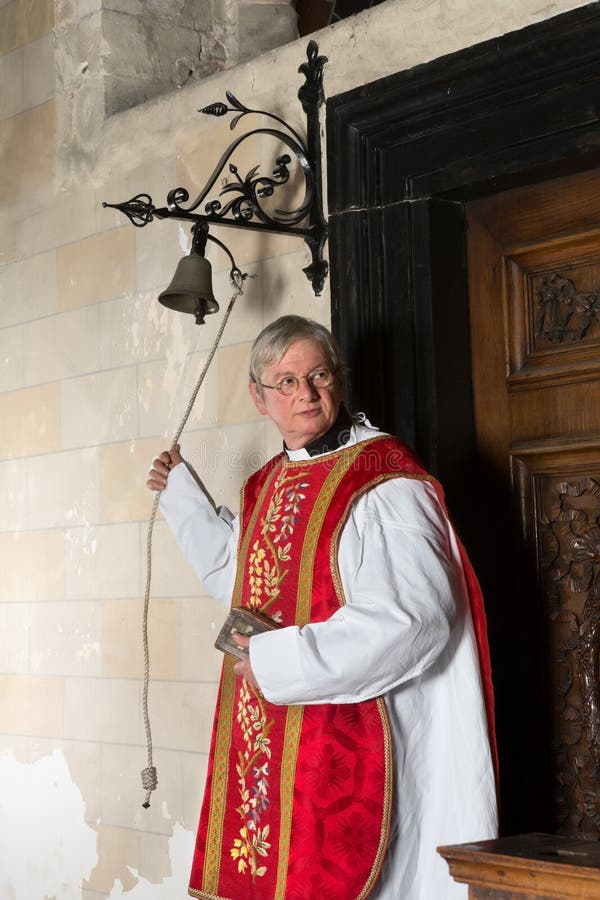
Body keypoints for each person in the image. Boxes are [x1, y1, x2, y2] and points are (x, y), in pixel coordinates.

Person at [147, 315, 498, 900]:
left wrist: (278, 664)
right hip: (280, 741)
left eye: (318, 375)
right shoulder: (268, 484)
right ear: (259, 397)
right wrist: (182, 497)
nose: (304, 393)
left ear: (341, 380)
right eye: (284, 381)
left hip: (356, 740)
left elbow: (413, 620)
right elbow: (243, 584)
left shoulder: (382, 481)